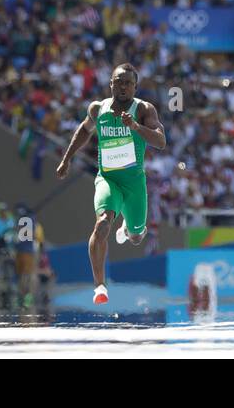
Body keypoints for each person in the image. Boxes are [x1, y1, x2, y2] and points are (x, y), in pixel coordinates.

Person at [56, 64, 166, 305]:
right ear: (111, 84)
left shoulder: (144, 109)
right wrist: (66, 159)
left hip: (134, 183)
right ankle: (100, 287)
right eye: (119, 81)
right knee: (102, 223)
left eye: (128, 82)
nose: (123, 86)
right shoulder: (98, 109)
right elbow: (84, 131)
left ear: (135, 87)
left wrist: (136, 127)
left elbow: (160, 141)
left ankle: (128, 229)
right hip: (108, 179)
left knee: (137, 237)